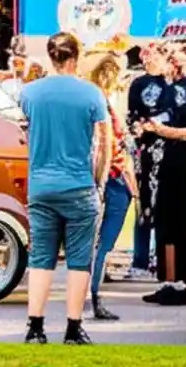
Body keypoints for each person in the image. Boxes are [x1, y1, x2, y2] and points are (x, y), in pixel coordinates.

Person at [19, 33, 108, 346]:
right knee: (79, 260)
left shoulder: (29, 93)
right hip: (78, 185)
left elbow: (20, 129)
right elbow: (103, 145)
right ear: (76, 56)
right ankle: (72, 328)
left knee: (41, 259)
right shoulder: (91, 94)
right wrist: (98, 180)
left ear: (51, 57)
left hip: (41, 185)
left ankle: (35, 327)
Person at [142, 47, 186, 306]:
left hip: (184, 161)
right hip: (162, 163)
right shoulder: (166, 88)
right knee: (164, 222)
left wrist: (165, 131)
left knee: (183, 221)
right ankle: (168, 280)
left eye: (175, 59)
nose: (171, 64)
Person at [83, 52, 137, 321]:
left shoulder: (94, 101)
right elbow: (105, 146)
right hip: (112, 176)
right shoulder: (104, 104)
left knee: (93, 242)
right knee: (104, 242)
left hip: (105, 176)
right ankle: (94, 295)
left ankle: (88, 292)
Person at [124, 42, 168, 282]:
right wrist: (136, 128)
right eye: (147, 53)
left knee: (163, 208)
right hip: (144, 153)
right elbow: (131, 115)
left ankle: (161, 258)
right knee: (143, 207)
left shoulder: (171, 84)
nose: (150, 58)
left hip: (167, 150)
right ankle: (140, 258)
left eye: (155, 53)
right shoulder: (138, 84)